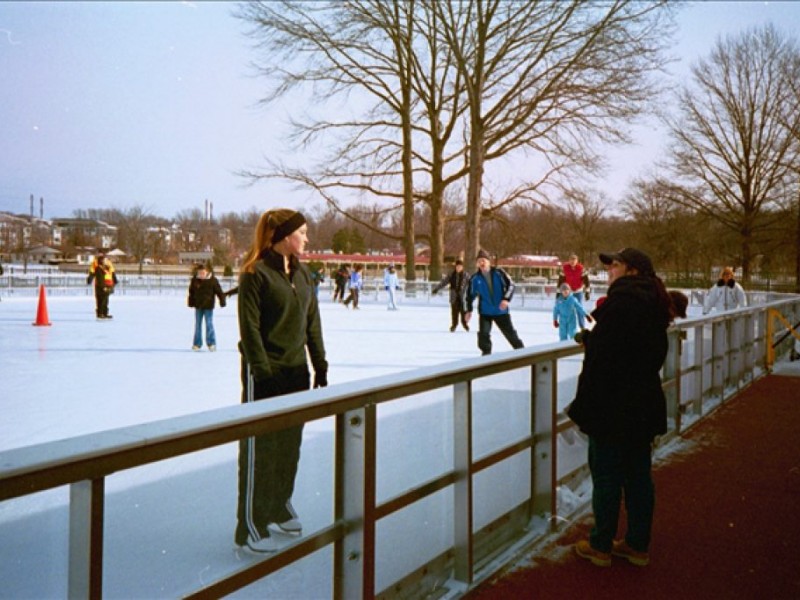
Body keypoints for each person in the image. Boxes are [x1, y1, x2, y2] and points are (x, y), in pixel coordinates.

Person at [566, 247, 673, 568]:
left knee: (608, 474)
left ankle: (601, 545)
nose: (609, 269)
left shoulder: (623, 302)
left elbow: (607, 356)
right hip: (642, 403)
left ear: (632, 271)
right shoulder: (652, 302)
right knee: (639, 476)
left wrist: (592, 343)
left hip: (612, 407)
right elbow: (642, 349)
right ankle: (637, 545)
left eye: (615, 264)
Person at [235, 208, 328, 554]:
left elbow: (312, 323)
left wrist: (319, 364)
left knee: (290, 445)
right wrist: (263, 373)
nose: (306, 238)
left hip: (295, 371)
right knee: (260, 448)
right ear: (283, 236)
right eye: (301, 232)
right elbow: (251, 331)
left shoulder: (303, 275)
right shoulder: (255, 275)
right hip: (266, 373)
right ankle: (248, 526)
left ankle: (278, 504)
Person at [465, 250, 524, 355]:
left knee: (510, 334)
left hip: (501, 311)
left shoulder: (499, 273)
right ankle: (486, 355)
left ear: (488, 261)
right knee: (483, 335)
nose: (481, 263)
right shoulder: (475, 278)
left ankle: (522, 353)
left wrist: (506, 299)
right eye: (479, 261)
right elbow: (470, 295)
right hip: (485, 312)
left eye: (483, 260)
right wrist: (468, 310)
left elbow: (511, 285)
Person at [187, 263, 226, 351]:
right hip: (198, 306)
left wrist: (222, 301)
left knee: (209, 324)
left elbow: (219, 291)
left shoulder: (212, 280)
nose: (201, 275)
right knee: (198, 325)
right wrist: (191, 302)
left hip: (208, 306)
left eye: (203, 273)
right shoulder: (195, 280)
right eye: (200, 273)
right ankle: (197, 344)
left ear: (207, 272)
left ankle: (211, 343)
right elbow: (191, 292)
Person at [432, 259, 470, 332]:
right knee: (454, 313)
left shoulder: (466, 275)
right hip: (454, 297)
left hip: (463, 297)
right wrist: (436, 289)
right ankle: (454, 325)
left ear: (462, 267)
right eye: (457, 266)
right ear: (455, 267)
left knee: (463, 312)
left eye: (460, 266)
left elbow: (472, 284)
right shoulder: (451, 275)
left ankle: (464, 324)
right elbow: (444, 282)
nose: (458, 268)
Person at [86, 253, 118, 319]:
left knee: (105, 299)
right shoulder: (96, 264)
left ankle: (104, 313)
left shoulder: (108, 263)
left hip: (108, 283)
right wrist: (90, 279)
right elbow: (92, 272)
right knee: (100, 299)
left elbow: (112, 271)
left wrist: (115, 280)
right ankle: (100, 313)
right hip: (100, 284)